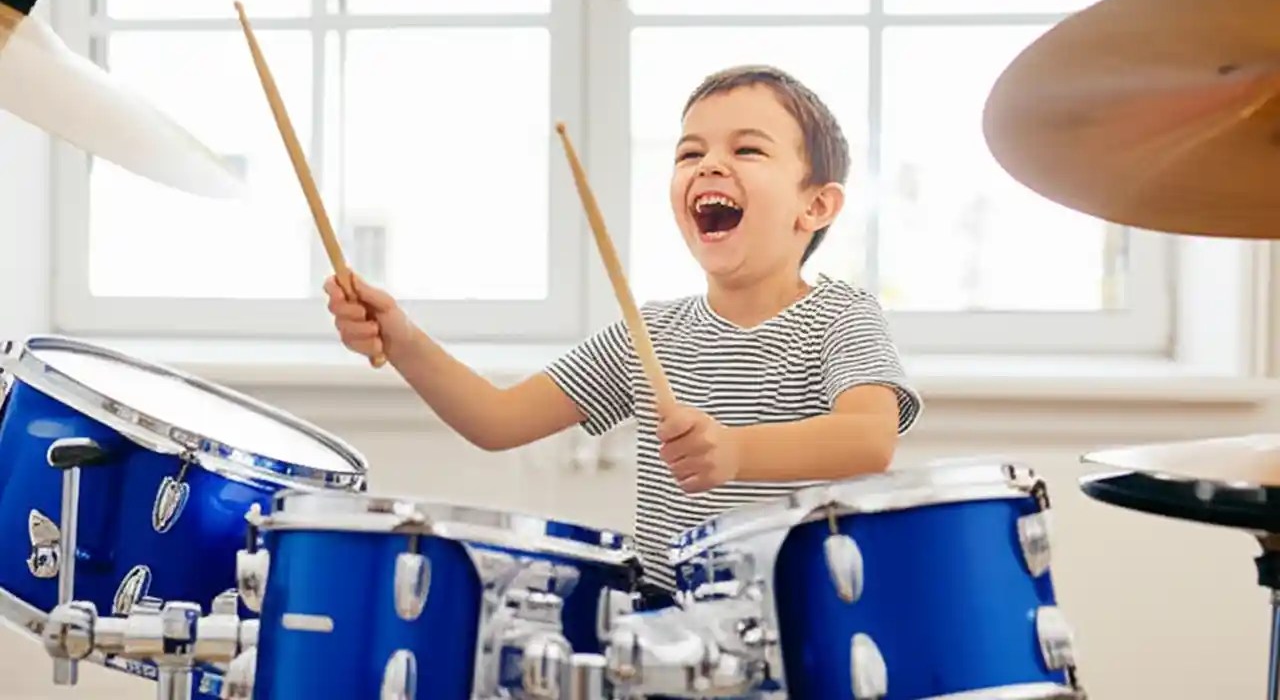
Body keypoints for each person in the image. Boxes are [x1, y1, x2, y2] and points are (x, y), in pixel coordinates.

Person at [324, 64, 922, 605]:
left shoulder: (843, 315)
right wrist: (402, 340)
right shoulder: (649, 332)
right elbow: (497, 420)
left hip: (794, 618)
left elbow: (869, 439)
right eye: (690, 153)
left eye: (747, 149)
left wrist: (738, 452)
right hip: (661, 619)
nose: (709, 165)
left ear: (816, 206)